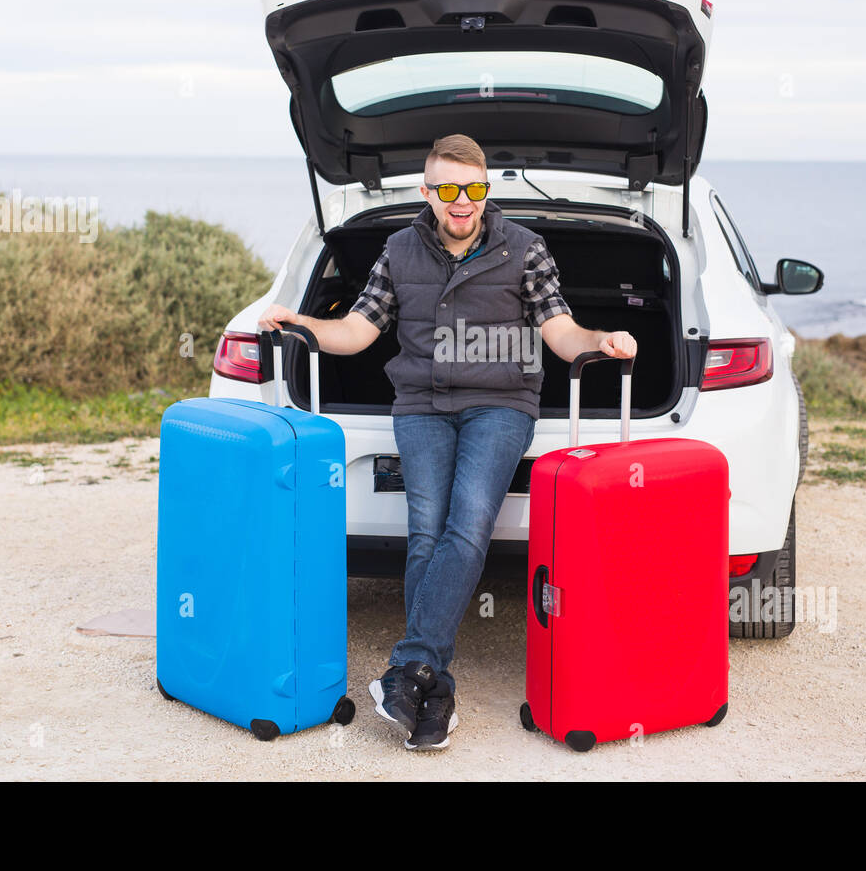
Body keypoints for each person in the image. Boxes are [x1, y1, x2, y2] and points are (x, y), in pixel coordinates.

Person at [257, 133, 635, 750]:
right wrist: (305, 325)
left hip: (502, 403)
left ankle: (409, 665)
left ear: (487, 190)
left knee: (466, 527)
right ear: (428, 192)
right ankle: (432, 691)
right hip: (422, 405)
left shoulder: (526, 249)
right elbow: (357, 329)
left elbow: (560, 330)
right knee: (425, 535)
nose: (464, 202)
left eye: (475, 189)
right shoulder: (398, 250)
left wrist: (602, 340)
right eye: (450, 190)